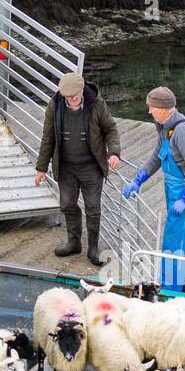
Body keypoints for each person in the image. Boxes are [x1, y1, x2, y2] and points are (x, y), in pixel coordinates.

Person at [121, 86, 185, 292]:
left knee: (175, 237)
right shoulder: (164, 128)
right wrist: (138, 180)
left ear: (162, 108)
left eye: (151, 107)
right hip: (173, 188)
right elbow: (157, 157)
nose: (149, 111)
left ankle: (171, 288)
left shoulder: (182, 132)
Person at [34, 72, 122, 266]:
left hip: (91, 167)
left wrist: (114, 152)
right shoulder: (55, 105)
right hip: (66, 167)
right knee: (66, 204)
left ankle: (93, 248)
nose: (73, 101)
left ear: (82, 90)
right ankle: (74, 242)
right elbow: (47, 137)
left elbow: (110, 129)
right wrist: (41, 167)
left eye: (75, 96)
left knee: (93, 208)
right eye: (68, 98)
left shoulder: (96, 104)